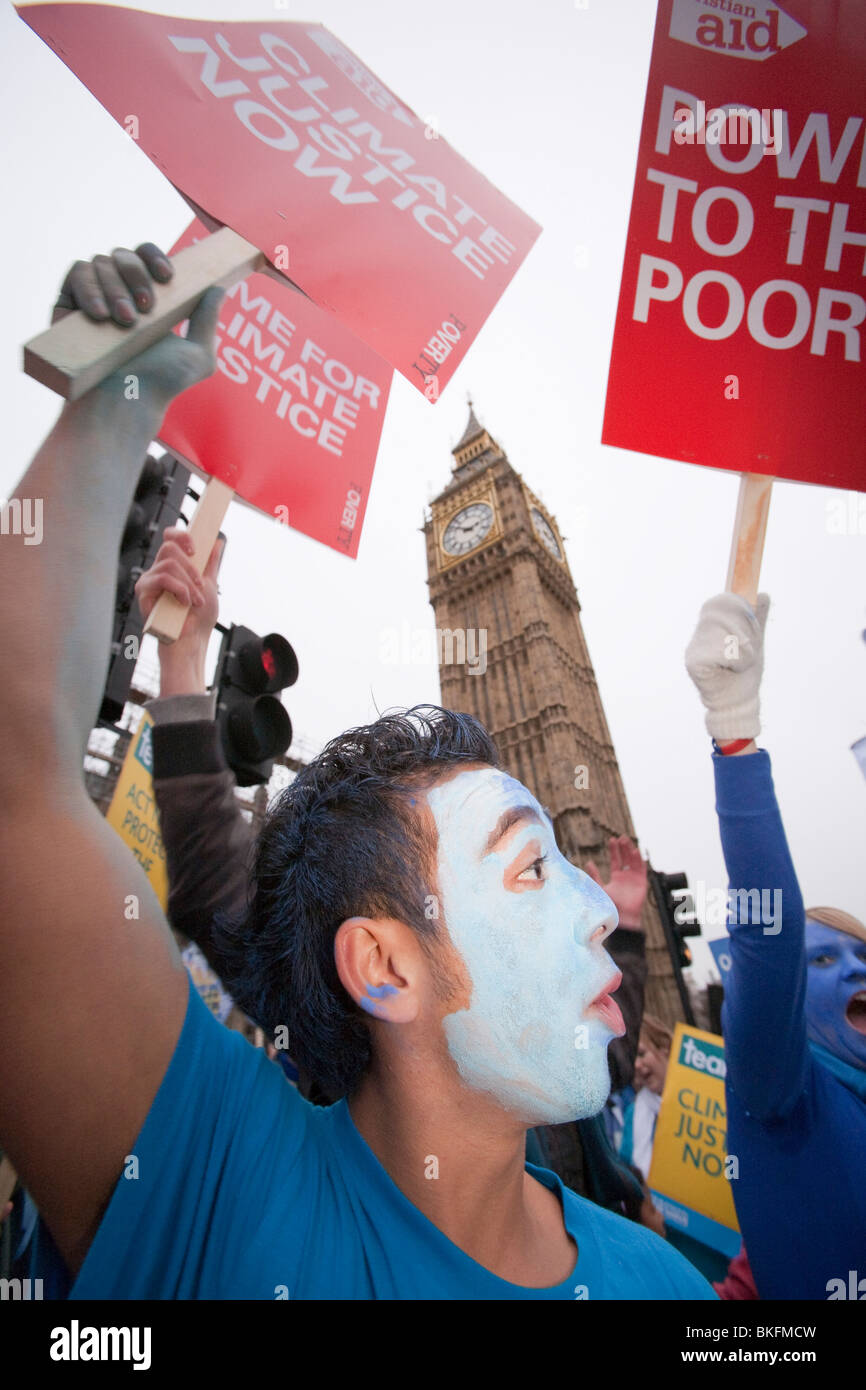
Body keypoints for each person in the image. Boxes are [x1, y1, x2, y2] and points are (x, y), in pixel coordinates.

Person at [0, 241, 714, 1299]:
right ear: (380, 963)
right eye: (524, 868)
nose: (586, 909)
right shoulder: (216, 1190)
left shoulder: (667, 1288)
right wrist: (117, 404)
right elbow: (22, 790)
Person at [685, 591, 866, 1299]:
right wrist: (735, 732)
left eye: (860, 955)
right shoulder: (783, 1092)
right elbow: (768, 933)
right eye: (822, 959)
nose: (853, 965)